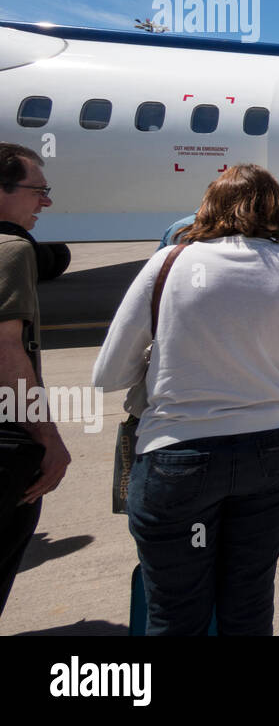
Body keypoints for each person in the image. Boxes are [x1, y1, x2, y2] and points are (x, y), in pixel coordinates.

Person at [92, 164, 279, 635]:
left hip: (178, 452)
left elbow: (107, 373)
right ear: (277, 208)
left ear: (210, 206)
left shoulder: (169, 262)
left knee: (175, 613)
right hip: (271, 450)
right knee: (249, 601)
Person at [0, 143, 70, 616]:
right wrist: (48, 439)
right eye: (38, 191)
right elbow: (6, 353)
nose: (45, 202)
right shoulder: (12, 249)